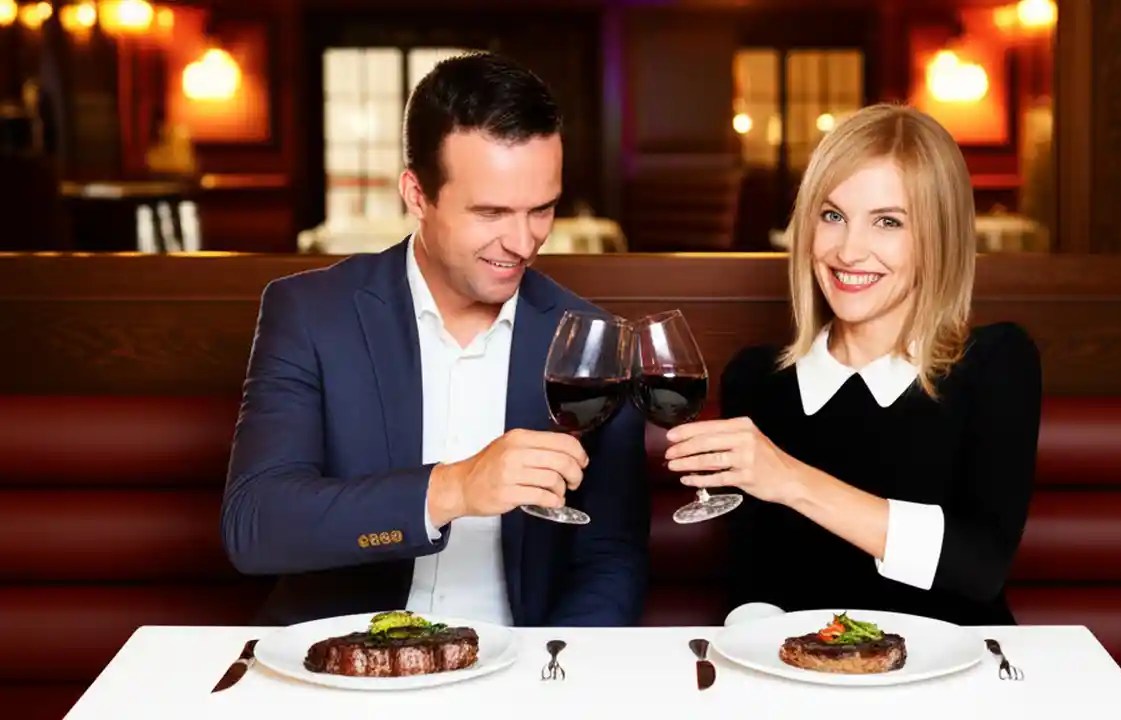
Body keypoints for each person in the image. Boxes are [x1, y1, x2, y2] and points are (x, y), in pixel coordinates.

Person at [222, 52, 649, 627]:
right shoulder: (310, 313)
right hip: (347, 673)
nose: (522, 242)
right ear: (417, 194)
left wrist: (550, 679)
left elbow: (611, 560)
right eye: (491, 212)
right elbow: (255, 526)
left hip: (521, 680)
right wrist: (451, 489)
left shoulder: (594, 340)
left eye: (542, 209)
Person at [664, 104, 1042, 626]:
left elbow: (976, 566)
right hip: (804, 680)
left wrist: (790, 480)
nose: (849, 250)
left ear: (938, 238)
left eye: (887, 222)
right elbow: (753, 579)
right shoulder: (757, 380)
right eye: (832, 215)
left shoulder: (996, 363)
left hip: (954, 680)